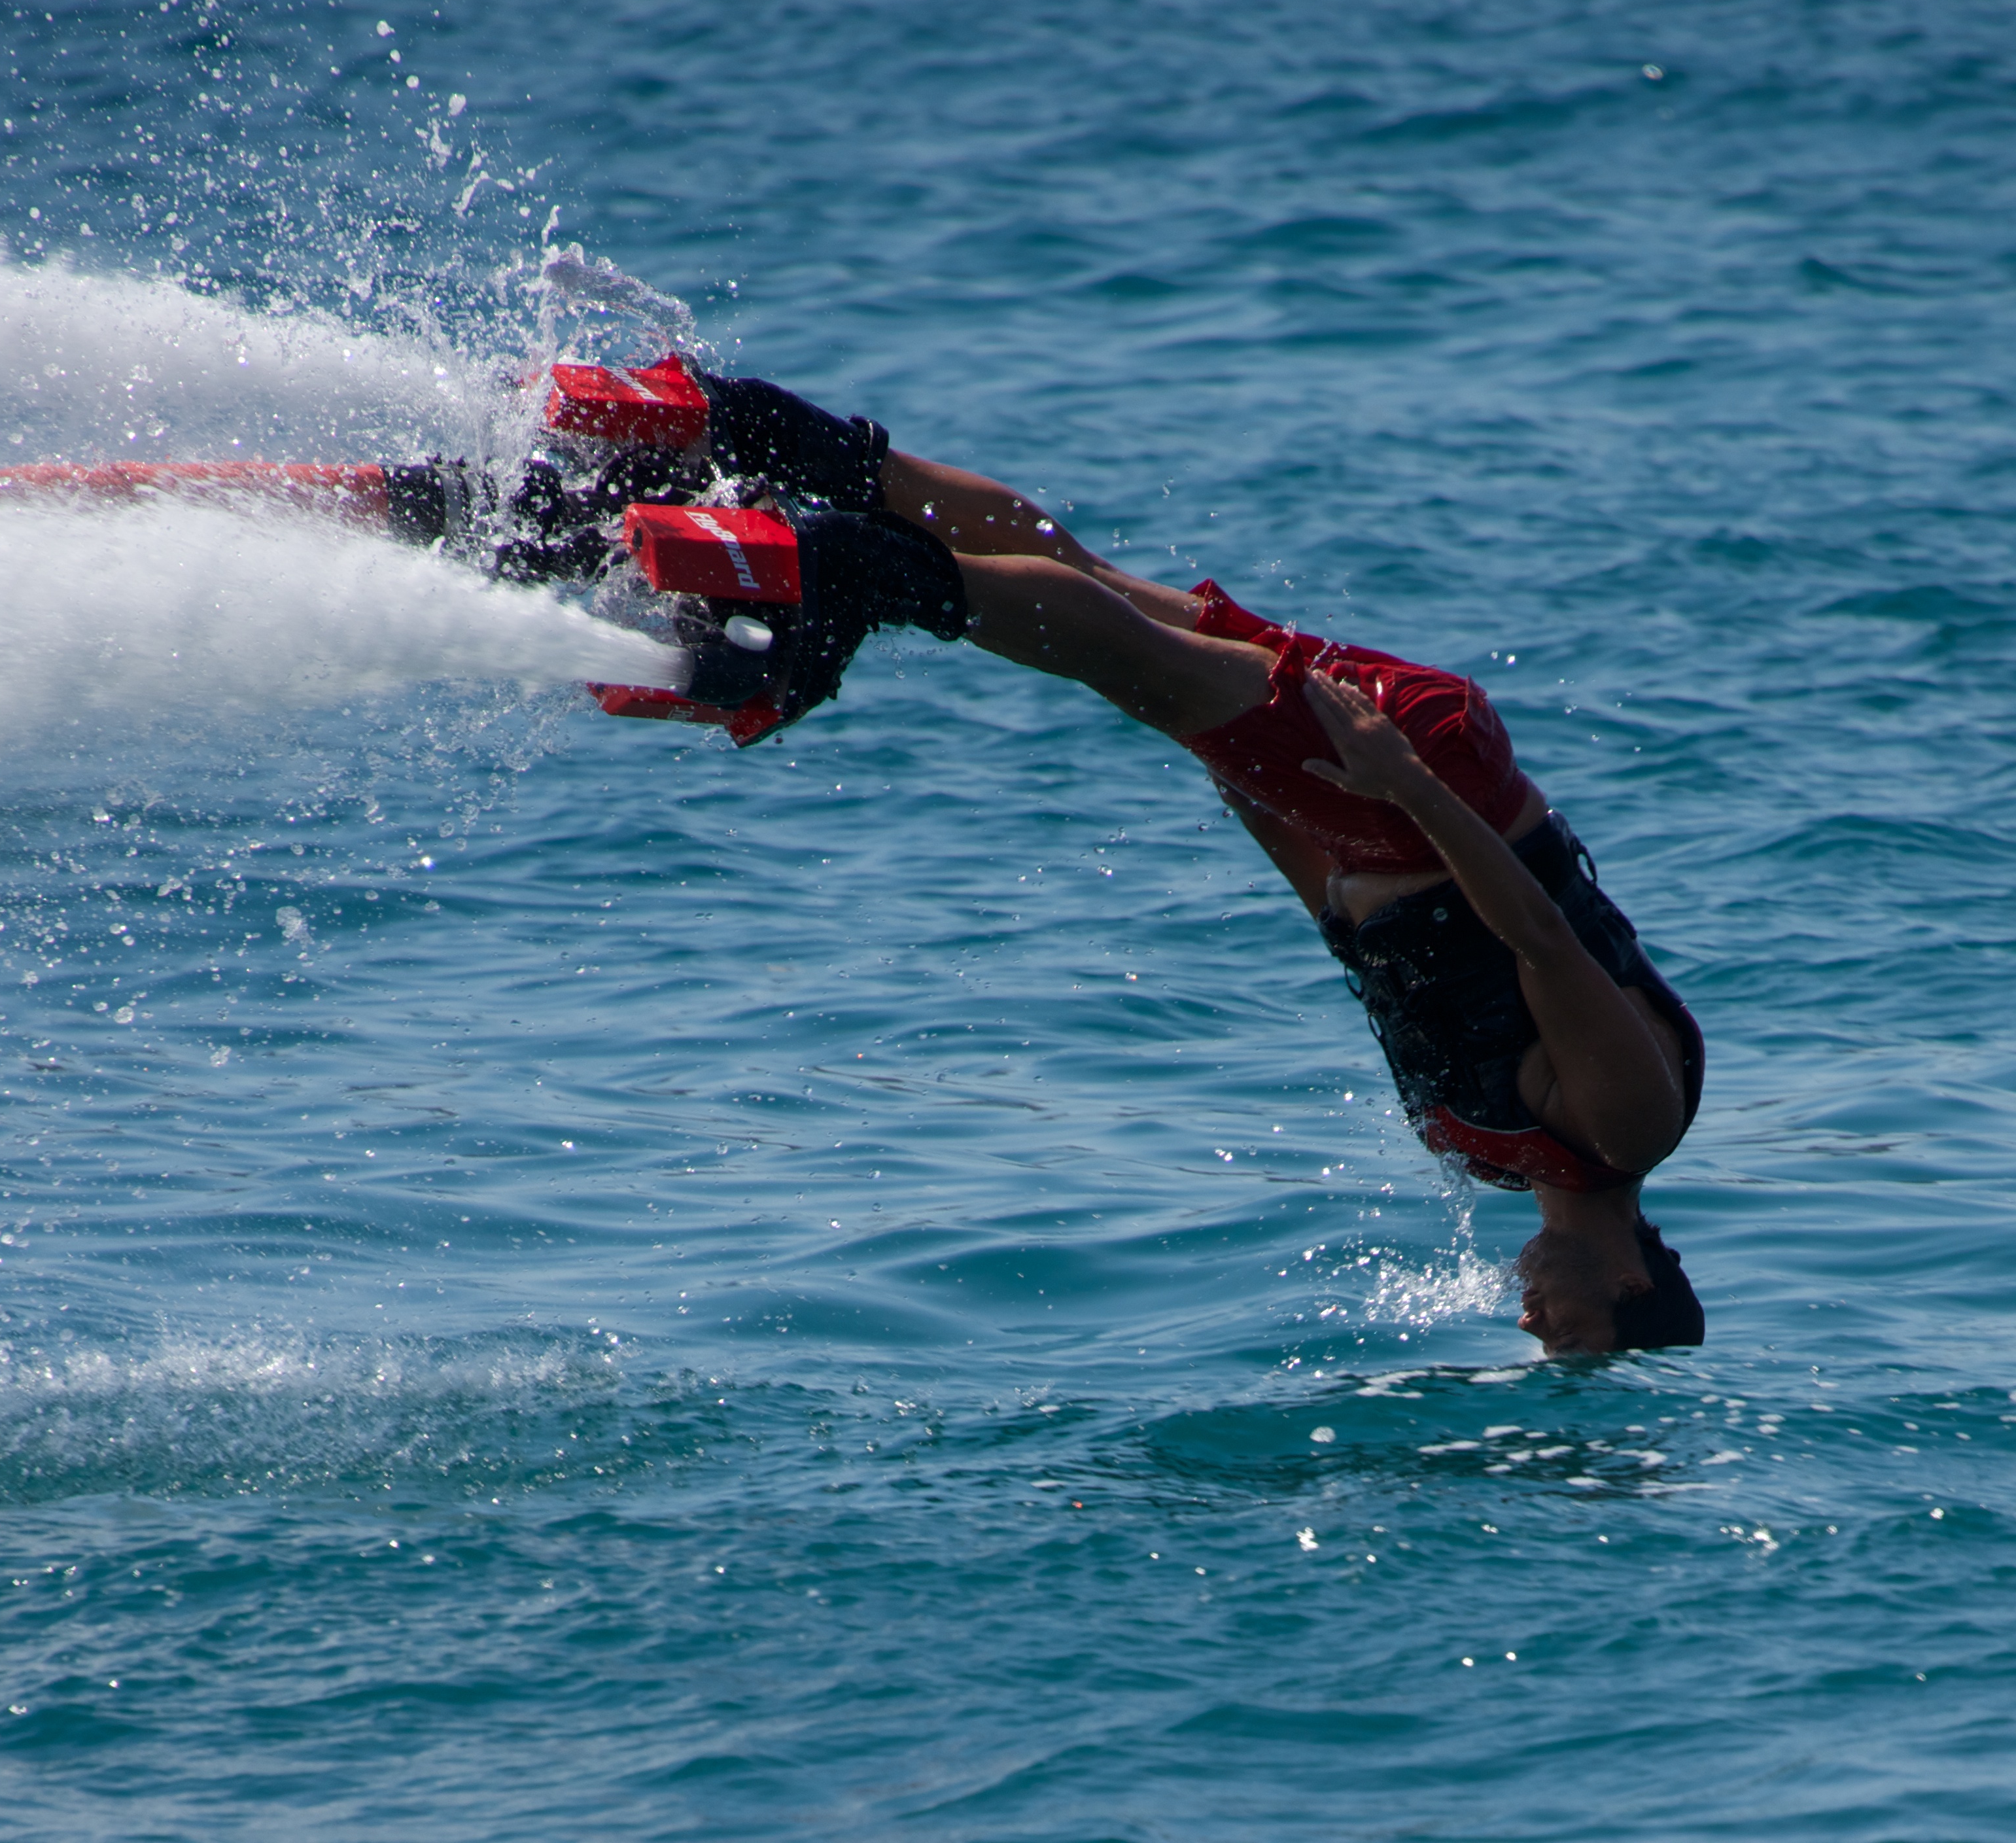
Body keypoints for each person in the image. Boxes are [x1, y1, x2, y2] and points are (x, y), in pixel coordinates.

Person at [654, 376, 1708, 1353]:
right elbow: (1539, 937)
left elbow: (1358, 938)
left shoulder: (1487, 1152)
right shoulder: (1632, 1125)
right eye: (1569, 1337)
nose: (1534, 1328)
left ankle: (727, 425)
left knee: (1094, 595)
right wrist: (1401, 783)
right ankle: (834, 568)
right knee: (1121, 651)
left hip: (1355, 811)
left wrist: (1227, 764)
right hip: (1410, 778)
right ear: (1630, 1289)